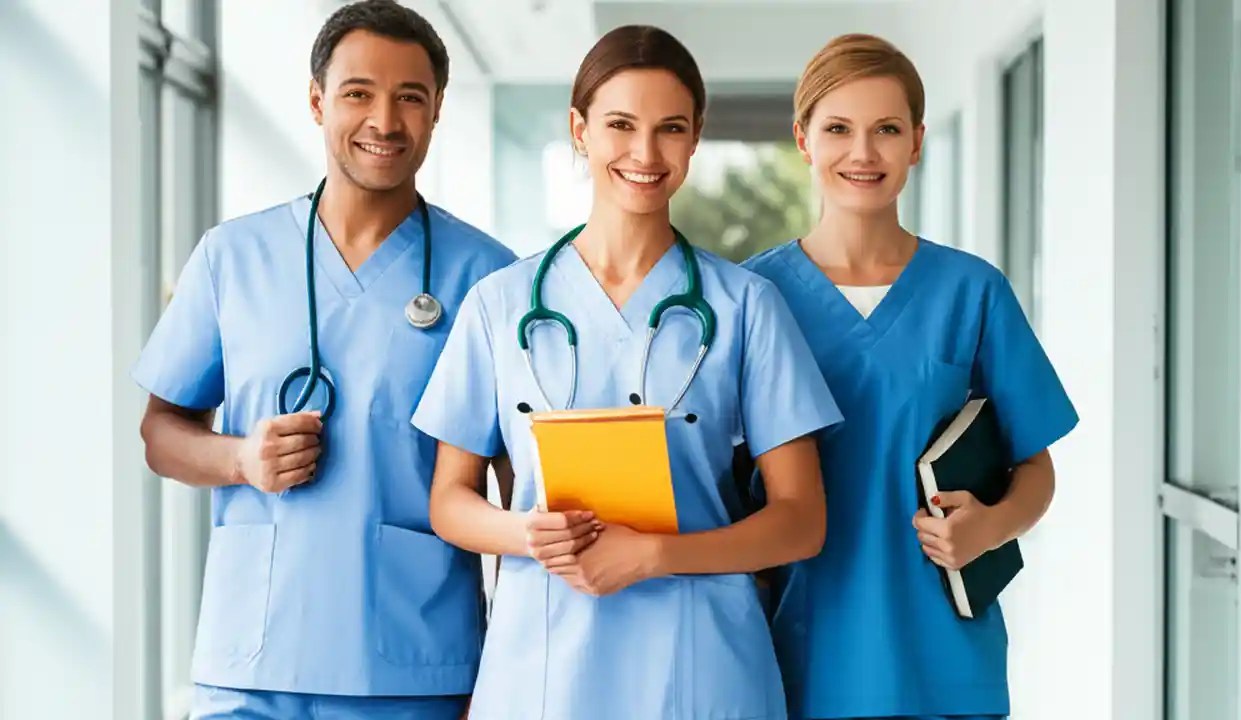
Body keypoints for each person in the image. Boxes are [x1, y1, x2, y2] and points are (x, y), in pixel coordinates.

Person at [411, 24, 843, 720]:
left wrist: (653, 556)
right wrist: (525, 533)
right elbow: (449, 501)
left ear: (696, 136)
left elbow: (801, 522)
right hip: (545, 660)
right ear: (578, 129)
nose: (645, 153)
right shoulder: (499, 304)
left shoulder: (746, 307)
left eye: (670, 128)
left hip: (702, 657)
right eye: (620, 124)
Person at [132, 1, 515, 717]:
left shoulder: (489, 279)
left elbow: (517, 485)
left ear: (435, 113)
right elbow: (161, 432)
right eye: (358, 93)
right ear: (317, 102)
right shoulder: (232, 257)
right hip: (251, 663)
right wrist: (241, 459)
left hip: (413, 667)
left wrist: (513, 666)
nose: (385, 121)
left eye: (411, 98)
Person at [741, 34, 1079, 720]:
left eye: (887, 130)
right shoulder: (756, 298)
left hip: (943, 661)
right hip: (802, 657)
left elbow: (1035, 467)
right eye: (838, 129)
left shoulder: (972, 292)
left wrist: (990, 527)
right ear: (804, 140)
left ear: (917, 142)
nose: (863, 153)